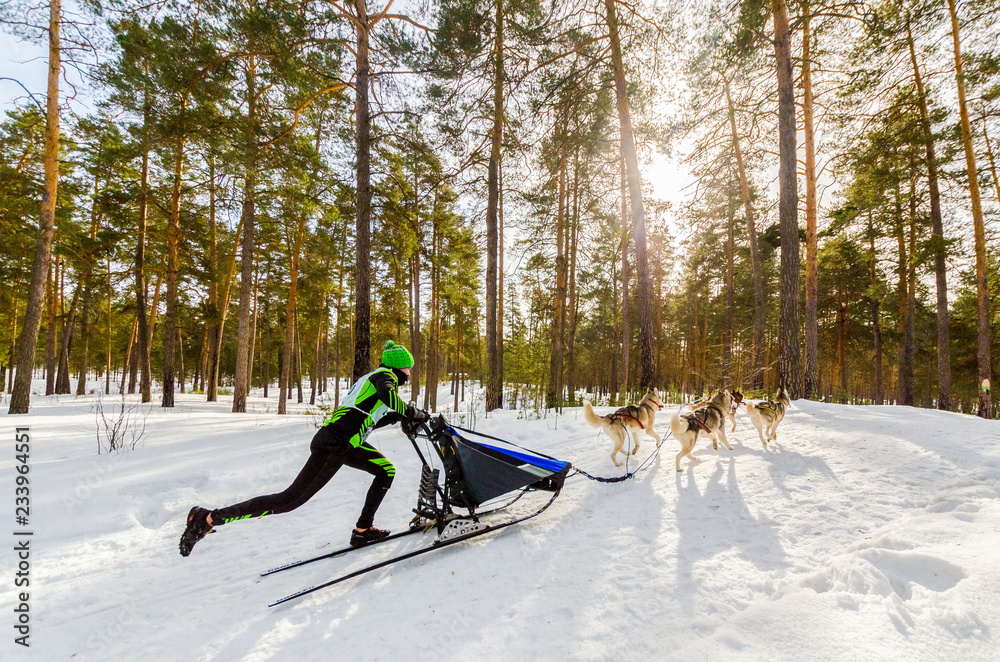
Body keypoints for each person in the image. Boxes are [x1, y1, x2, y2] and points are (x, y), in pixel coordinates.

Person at [179, 340, 429, 557]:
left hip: (344, 441)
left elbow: (369, 417)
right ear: (398, 366)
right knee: (289, 500)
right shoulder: (386, 377)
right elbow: (388, 396)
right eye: (408, 366)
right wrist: (411, 411)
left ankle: (363, 531)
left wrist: (399, 417)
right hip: (336, 443)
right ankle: (208, 518)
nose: (409, 371)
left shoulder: (372, 380)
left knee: (386, 470)